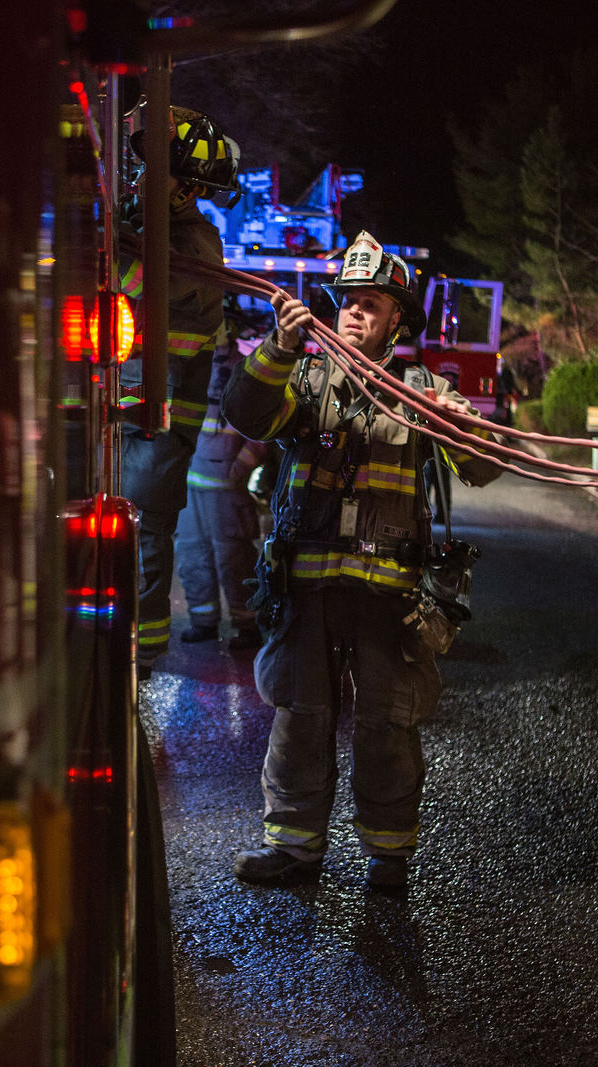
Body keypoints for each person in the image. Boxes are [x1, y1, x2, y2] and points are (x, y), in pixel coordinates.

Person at [221, 231, 502, 892]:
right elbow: (245, 414)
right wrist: (279, 347)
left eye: (370, 303)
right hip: (310, 584)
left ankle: (388, 854)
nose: (353, 312)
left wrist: (457, 421)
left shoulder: (424, 390)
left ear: (396, 319)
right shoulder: (305, 376)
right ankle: (292, 848)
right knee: (300, 715)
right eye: (347, 300)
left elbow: (484, 467)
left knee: (387, 724)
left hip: (389, 593)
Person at [118, 105, 241, 680]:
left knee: (140, 534)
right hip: (129, 414)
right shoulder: (146, 228)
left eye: (155, 169)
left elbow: (145, 288)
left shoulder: (196, 246)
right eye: (140, 164)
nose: (140, 177)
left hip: (159, 427)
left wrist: (103, 246)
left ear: (187, 188)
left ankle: (138, 657)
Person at [175, 341, 268, 651]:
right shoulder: (189, 367)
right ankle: (203, 622)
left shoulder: (245, 372)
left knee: (234, 559)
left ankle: (247, 625)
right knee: (192, 554)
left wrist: (237, 471)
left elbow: (263, 431)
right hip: (190, 485)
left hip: (226, 491)